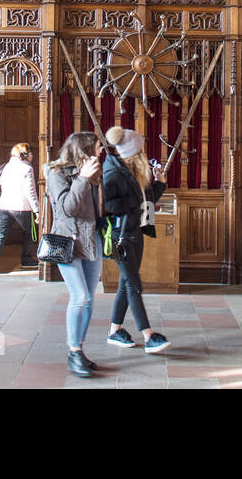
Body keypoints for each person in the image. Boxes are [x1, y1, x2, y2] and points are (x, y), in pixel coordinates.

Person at [101, 126, 170, 354]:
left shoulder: (134, 173)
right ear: (135, 153)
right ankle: (149, 335)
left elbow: (146, 201)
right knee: (133, 285)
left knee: (126, 284)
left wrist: (160, 184)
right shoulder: (113, 173)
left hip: (136, 233)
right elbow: (106, 205)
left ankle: (114, 331)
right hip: (122, 236)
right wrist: (130, 207)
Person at [46, 131, 105, 377]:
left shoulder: (93, 175)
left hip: (91, 240)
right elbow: (67, 209)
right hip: (67, 241)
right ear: (85, 150)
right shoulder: (56, 174)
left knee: (89, 298)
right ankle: (72, 352)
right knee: (79, 296)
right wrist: (82, 178)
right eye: (98, 148)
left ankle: (79, 350)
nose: (101, 152)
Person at [0, 143, 39, 274]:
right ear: (24, 155)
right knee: (29, 234)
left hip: (4, 206)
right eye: (30, 153)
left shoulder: (6, 167)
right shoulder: (27, 168)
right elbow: (30, 191)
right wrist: (37, 210)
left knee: (0, 235)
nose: (32, 155)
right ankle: (27, 258)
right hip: (22, 207)